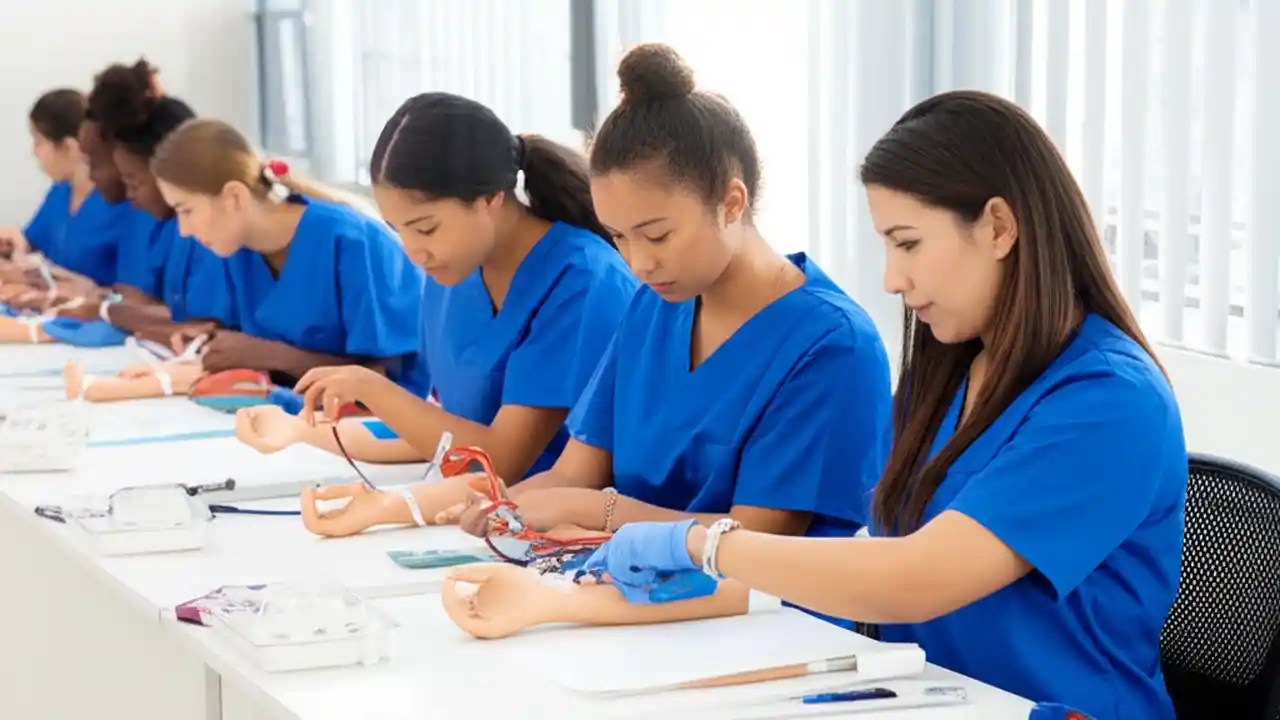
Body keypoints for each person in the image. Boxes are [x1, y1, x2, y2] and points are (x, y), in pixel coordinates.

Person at [583, 90, 1187, 718]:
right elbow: (862, 556)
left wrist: (699, 544)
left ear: (1000, 227)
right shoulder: (959, 371)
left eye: (908, 244)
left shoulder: (1111, 402)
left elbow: (913, 579)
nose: (891, 279)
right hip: (932, 699)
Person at [449, 44, 891, 566]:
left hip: (760, 623)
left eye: (656, 235)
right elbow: (573, 475)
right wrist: (509, 506)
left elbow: (754, 539)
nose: (638, 263)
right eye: (618, 237)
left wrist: (598, 511)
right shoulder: (651, 309)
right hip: (631, 595)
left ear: (731, 203)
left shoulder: (831, 344)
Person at [234, 91, 638, 532]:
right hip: (476, 507)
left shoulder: (581, 281)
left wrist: (372, 390)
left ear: (490, 199)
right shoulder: (455, 270)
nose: (413, 252)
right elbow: (441, 434)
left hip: (553, 523)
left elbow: (502, 457)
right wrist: (301, 431)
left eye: (425, 228)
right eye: (398, 231)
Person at [149, 118, 427, 390]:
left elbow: (390, 380)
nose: (183, 231)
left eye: (186, 210)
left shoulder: (354, 243)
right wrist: (210, 339)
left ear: (234, 197)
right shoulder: (236, 251)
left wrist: (271, 355)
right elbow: (251, 337)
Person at [87, 59, 238, 345]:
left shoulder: (213, 235)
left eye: (134, 183)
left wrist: (109, 310)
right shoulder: (169, 227)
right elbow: (153, 303)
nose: (129, 196)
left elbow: (203, 328)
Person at [0, 88, 134, 288]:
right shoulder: (61, 191)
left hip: (96, 315)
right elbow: (36, 242)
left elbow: (131, 296)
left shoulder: (119, 202)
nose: (34, 152)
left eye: (39, 142)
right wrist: (15, 245)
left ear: (70, 147)